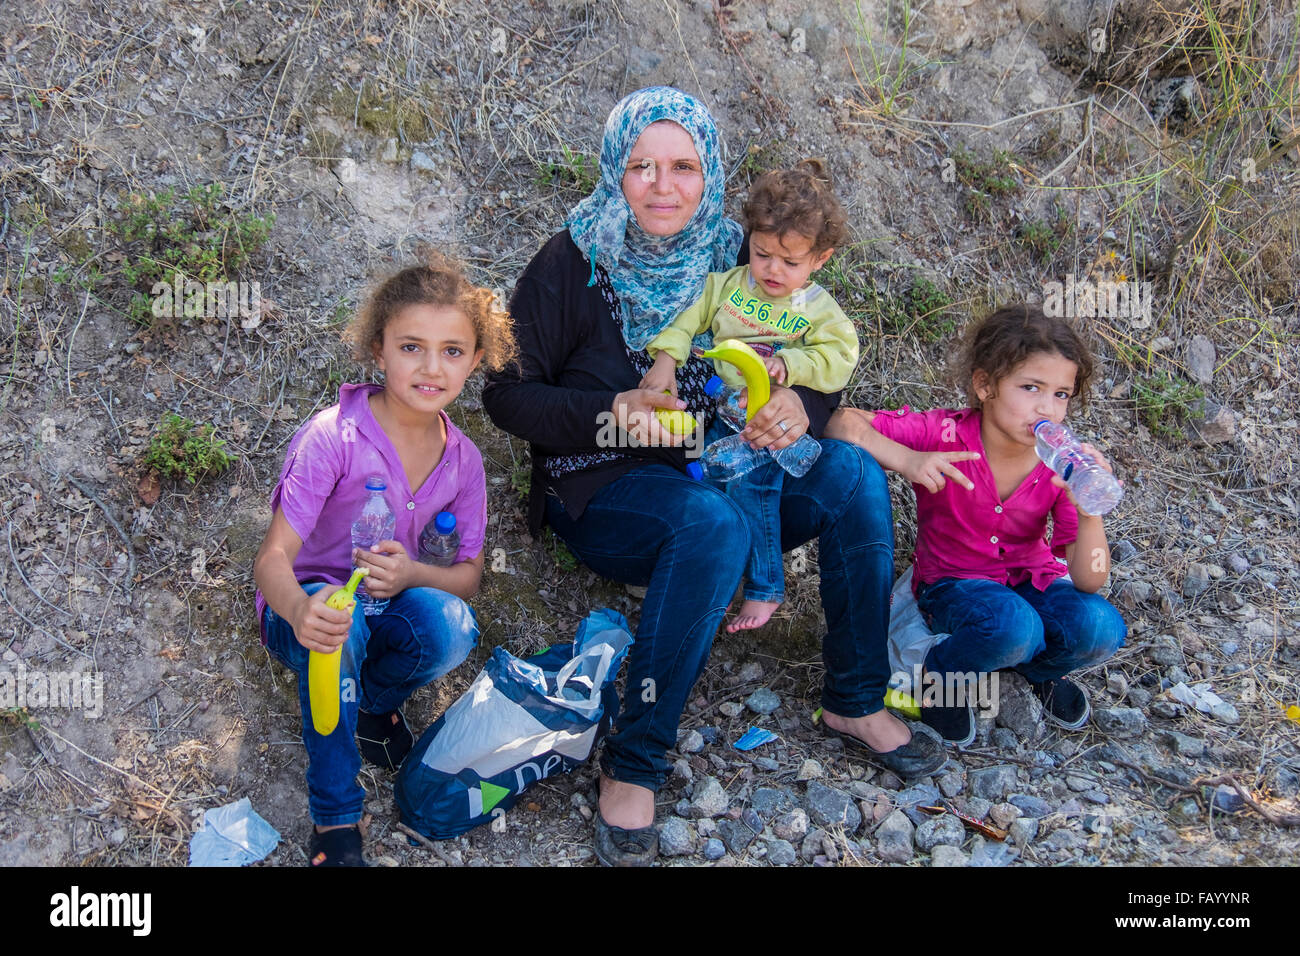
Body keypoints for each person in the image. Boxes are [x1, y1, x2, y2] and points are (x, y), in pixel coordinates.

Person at [482, 86, 945, 867]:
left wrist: (802, 399)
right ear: (614, 170)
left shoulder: (743, 253)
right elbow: (504, 394)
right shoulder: (572, 261)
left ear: (712, 174)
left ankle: (857, 700)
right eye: (642, 166)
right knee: (709, 524)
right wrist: (612, 410)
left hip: (726, 465)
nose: (664, 187)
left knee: (852, 475)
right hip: (607, 484)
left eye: (684, 167)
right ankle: (634, 763)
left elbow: (812, 352)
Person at [253, 251, 517, 866]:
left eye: (453, 350)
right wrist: (299, 610)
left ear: (477, 360)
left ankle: (370, 707)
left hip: (390, 602)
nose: (432, 367)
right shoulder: (333, 436)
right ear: (379, 350)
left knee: (452, 627)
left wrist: (413, 574)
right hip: (309, 609)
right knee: (337, 634)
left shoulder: (464, 463)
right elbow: (271, 559)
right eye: (411, 347)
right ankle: (336, 820)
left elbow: (467, 579)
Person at [825, 304, 1127, 746]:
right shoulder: (943, 433)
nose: (1047, 408)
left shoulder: (1063, 467)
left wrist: (1089, 509)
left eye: (1061, 394)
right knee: (1014, 628)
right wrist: (908, 460)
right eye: (1031, 388)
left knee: (1101, 626)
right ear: (985, 384)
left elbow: (1089, 579)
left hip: (1031, 579)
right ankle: (939, 680)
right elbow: (840, 421)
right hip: (952, 582)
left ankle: (1032, 672)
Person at [640, 159, 857, 632]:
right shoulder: (728, 287)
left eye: (791, 262)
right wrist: (665, 360)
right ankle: (707, 574)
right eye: (762, 254)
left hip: (768, 423)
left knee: (753, 489)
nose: (772, 270)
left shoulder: (816, 309)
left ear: (820, 259)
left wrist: (793, 367)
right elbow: (686, 320)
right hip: (724, 412)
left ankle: (765, 588)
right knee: (707, 485)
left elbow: (840, 357)